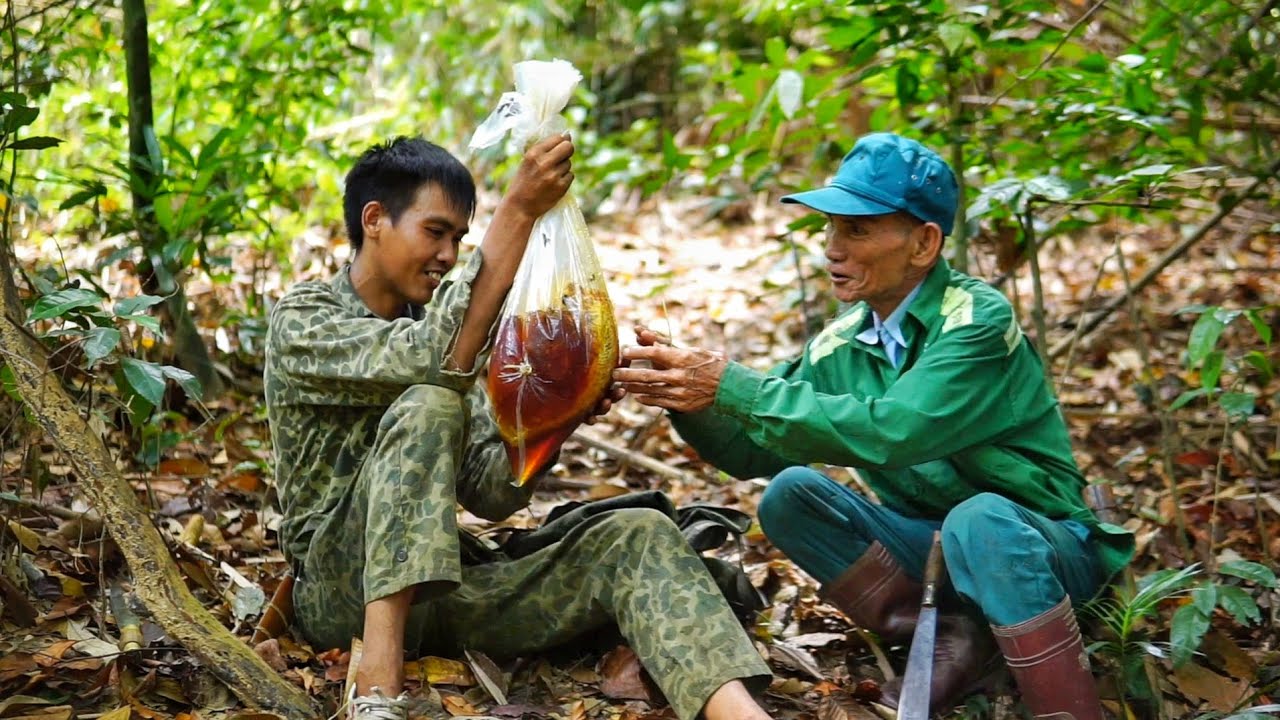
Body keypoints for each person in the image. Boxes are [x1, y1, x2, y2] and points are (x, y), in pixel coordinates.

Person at [614, 132, 1134, 720]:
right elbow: (750, 449)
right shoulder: (843, 342)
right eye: (830, 228)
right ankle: (953, 636)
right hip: (936, 552)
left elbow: (897, 430)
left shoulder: (976, 320)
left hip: (1040, 548)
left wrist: (730, 383)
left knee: (980, 520)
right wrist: (683, 393)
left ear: (923, 244)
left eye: (857, 230)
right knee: (790, 496)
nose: (832, 248)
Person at [264, 135, 775, 720]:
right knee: (430, 401)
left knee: (638, 533)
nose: (448, 255)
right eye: (436, 232)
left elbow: (492, 492)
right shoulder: (305, 317)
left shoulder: (452, 337)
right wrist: (518, 210)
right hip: (340, 593)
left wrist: (558, 412)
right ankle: (377, 688)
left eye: (458, 239)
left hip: (438, 592)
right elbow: (433, 360)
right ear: (374, 220)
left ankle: (739, 712)